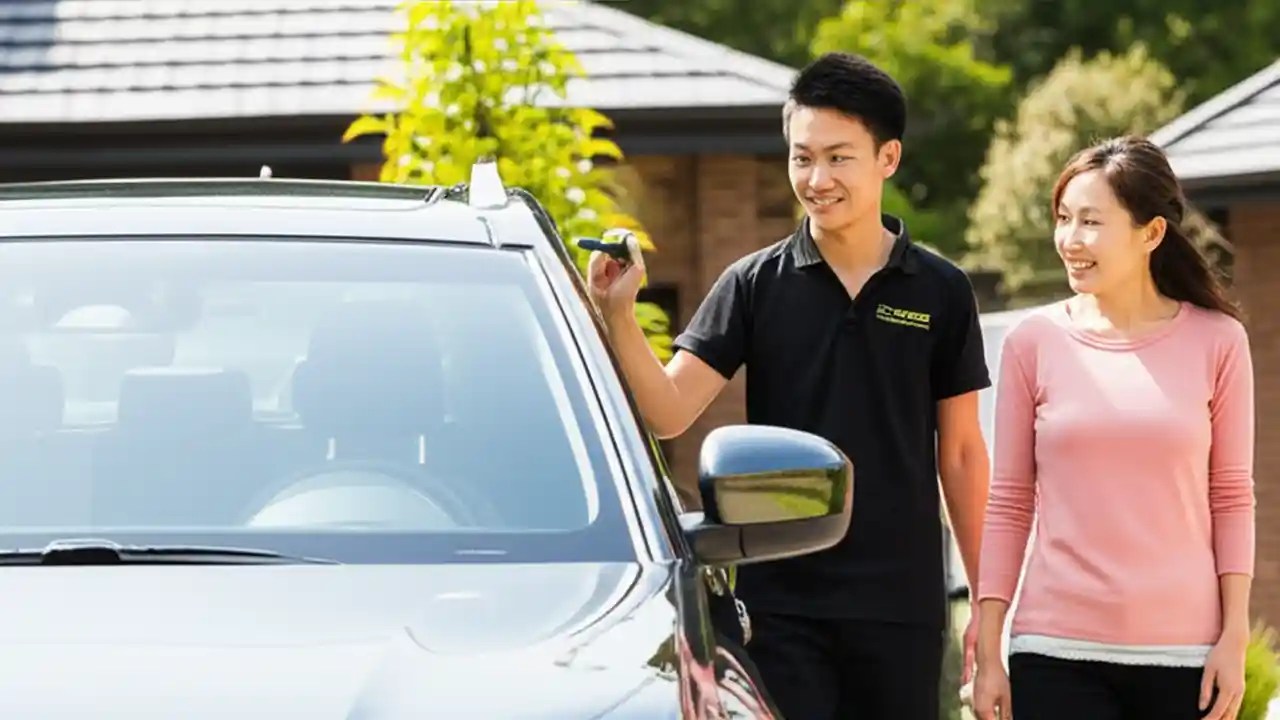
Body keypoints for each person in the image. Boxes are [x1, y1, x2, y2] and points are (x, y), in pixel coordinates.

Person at [588, 51, 993, 720]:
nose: (816, 178)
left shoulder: (941, 291)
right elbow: (668, 411)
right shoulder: (753, 285)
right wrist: (620, 314)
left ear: (888, 158)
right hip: (778, 609)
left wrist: (986, 599)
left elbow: (962, 454)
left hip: (901, 607)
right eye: (802, 158)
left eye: (838, 158)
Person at [972, 135, 1256, 720]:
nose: (1070, 240)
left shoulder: (1218, 342)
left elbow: (1231, 496)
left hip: (1184, 654)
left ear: (1151, 233)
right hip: (1055, 651)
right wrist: (988, 649)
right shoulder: (1032, 343)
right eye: (1063, 218)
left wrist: (1234, 636)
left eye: (1091, 222)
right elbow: (1009, 502)